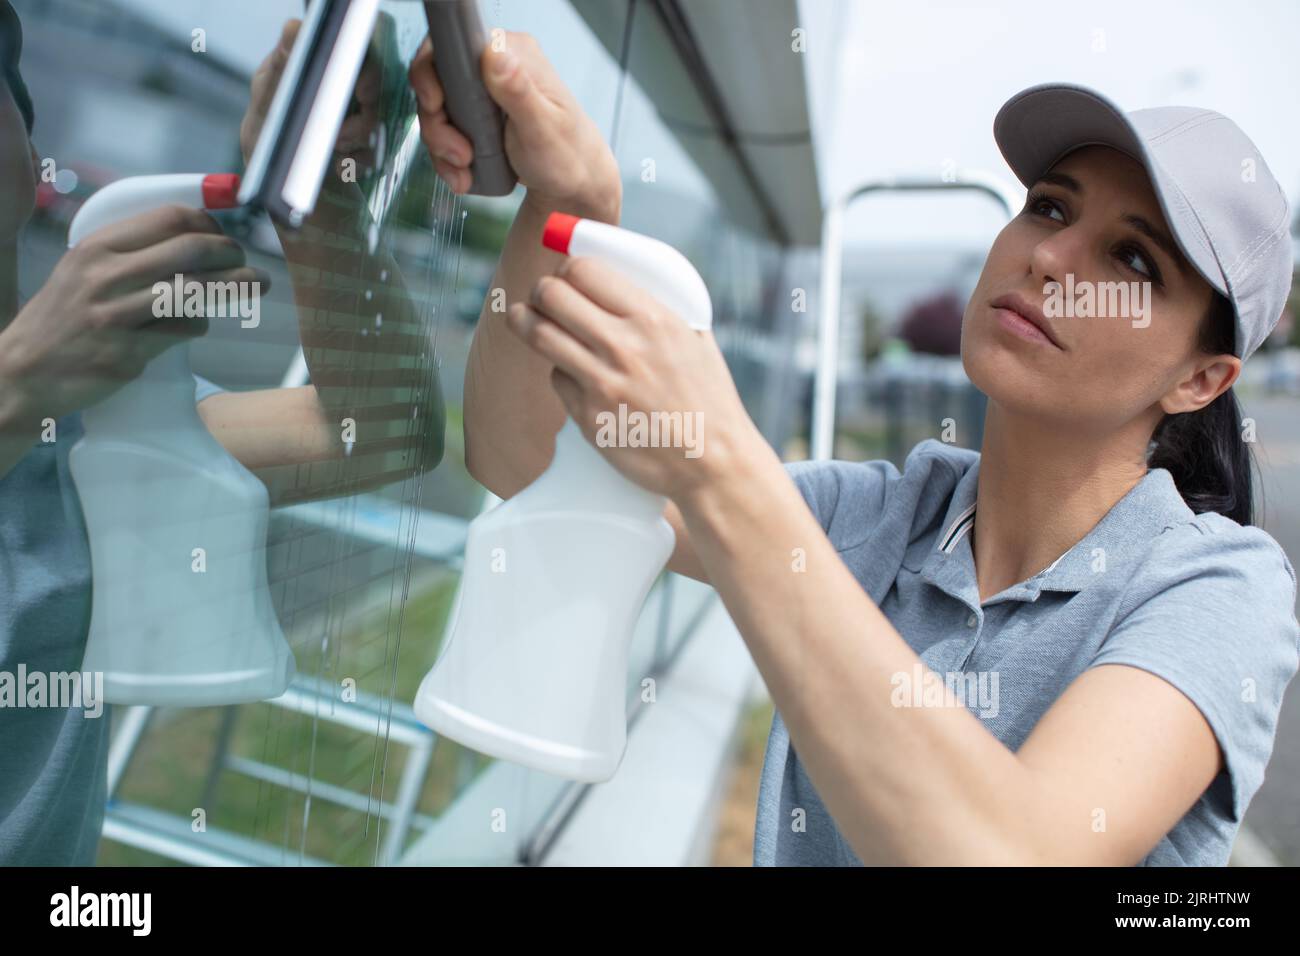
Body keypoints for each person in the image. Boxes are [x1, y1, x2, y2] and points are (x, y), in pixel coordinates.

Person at [411, 33, 1300, 865]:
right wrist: (566, 206)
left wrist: (721, 462)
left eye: (1133, 261)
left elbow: (1011, 852)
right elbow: (525, 461)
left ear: (1201, 381)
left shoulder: (1221, 592)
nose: (1053, 257)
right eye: (1048, 206)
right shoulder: (883, 512)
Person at [0, 7, 441, 865]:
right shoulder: (42, 397)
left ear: (25, 147)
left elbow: (384, 433)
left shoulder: (86, 435)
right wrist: (20, 383)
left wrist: (320, 198)